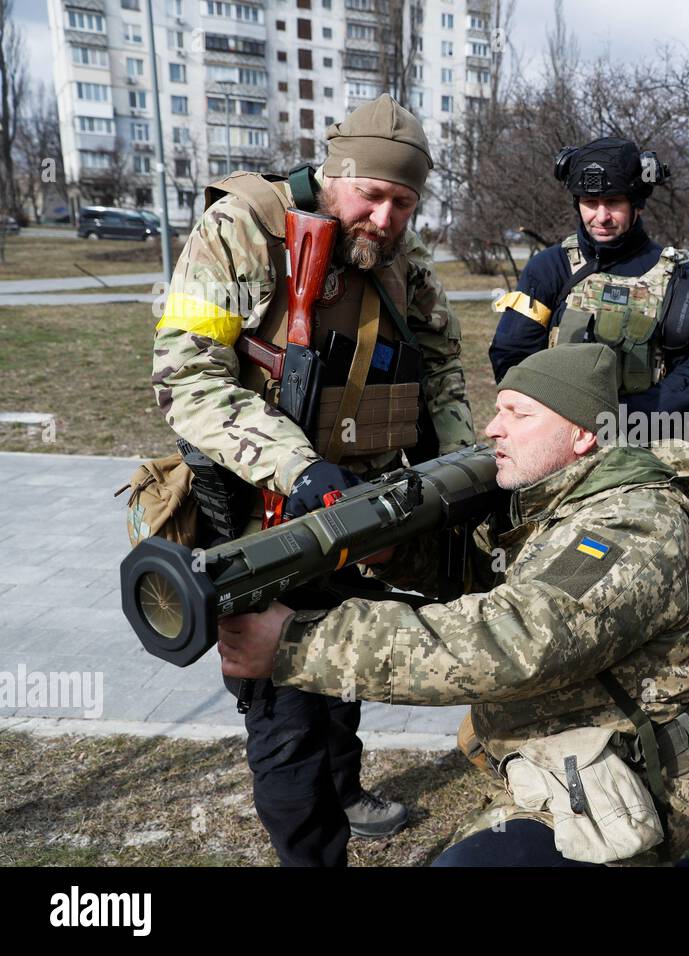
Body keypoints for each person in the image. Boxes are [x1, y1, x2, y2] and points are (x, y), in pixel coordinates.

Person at [216, 344, 689, 867]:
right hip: (568, 761)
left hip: (629, 791)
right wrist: (395, 552)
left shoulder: (631, 527)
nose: (492, 428)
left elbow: (514, 638)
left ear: (582, 434)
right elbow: (491, 577)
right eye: (499, 408)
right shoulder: (555, 501)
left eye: (518, 414)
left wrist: (296, 643)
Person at [152, 94, 475, 866]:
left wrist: (467, 469)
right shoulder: (239, 232)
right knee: (284, 705)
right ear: (335, 175)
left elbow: (444, 376)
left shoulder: (407, 264)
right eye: (372, 195)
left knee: (344, 661)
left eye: (404, 202)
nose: (387, 217)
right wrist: (295, 467)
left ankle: (348, 788)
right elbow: (185, 379)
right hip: (260, 510)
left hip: (359, 509)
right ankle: (310, 851)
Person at [488, 137, 689, 435]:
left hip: (645, 438)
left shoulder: (673, 276)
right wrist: (560, 415)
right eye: (590, 203)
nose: (601, 217)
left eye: (613, 202)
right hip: (562, 433)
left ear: (636, 205)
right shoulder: (549, 269)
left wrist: (626, 416)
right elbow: (511, 357)